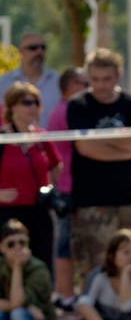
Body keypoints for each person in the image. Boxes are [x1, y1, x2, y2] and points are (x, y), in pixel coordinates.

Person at [67, 48, 131, 281]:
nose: (100, 85)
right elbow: (85, 148)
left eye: (106, 79)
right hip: (93, 200)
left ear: (118, 76)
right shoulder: (79, 105)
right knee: (97, 268)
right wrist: (125, 145)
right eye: (95, 79)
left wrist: (104, 138)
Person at [0, 82, 62, 272]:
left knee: (41, 264)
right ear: (12, 107)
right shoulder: (3, 137)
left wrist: (49, 187)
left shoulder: (41, 137)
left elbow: (56, 165)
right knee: (8, 267)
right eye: (26, 102)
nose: (33, 107)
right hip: (7, 213)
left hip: (39, 210)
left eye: (36, 102)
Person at [46, 67, 90, 310]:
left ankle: (66, 292)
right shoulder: (66, 111)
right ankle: (64, 294)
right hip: (67, 187)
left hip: (73, 185)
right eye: (81, 83)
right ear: (68, 87)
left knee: (70, 242)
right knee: (65, 242)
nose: (86, 87)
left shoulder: (65, 110)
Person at [0, 32, 60, 127]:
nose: (39, 52)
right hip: (14, 140)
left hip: (50, 140)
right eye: (33, 48)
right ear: (21, 51)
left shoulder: (58, 82)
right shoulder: (3, 83)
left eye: (43, 47)